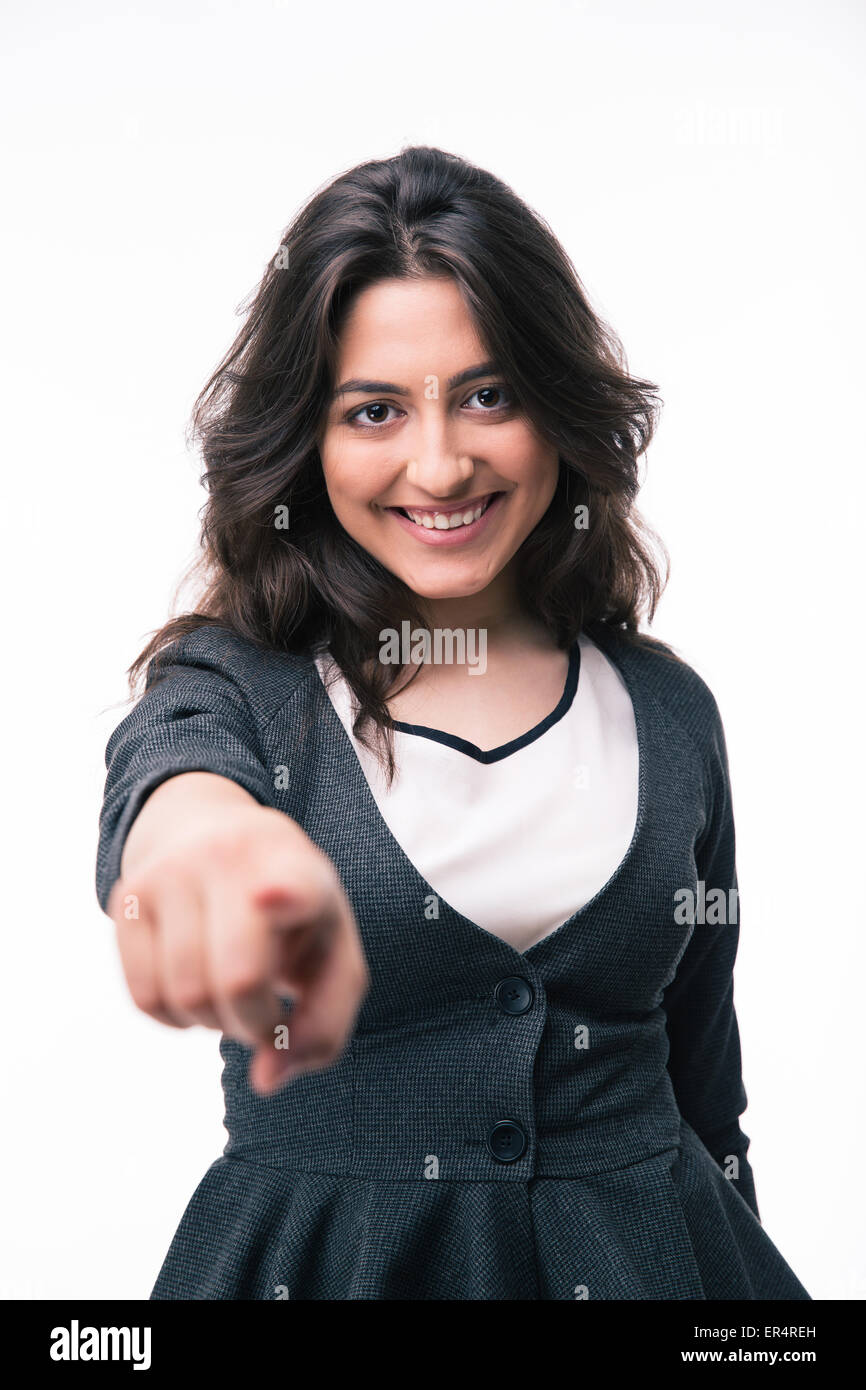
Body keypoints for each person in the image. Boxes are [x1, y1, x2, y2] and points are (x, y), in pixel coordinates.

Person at [96, 144, 810, 1300]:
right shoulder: (232, 687)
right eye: (373, 410)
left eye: (488, 394)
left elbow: (705, 1092)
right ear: (306, 442)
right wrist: (204, 841)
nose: (439, 463)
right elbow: (171, 777)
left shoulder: (670, 712)